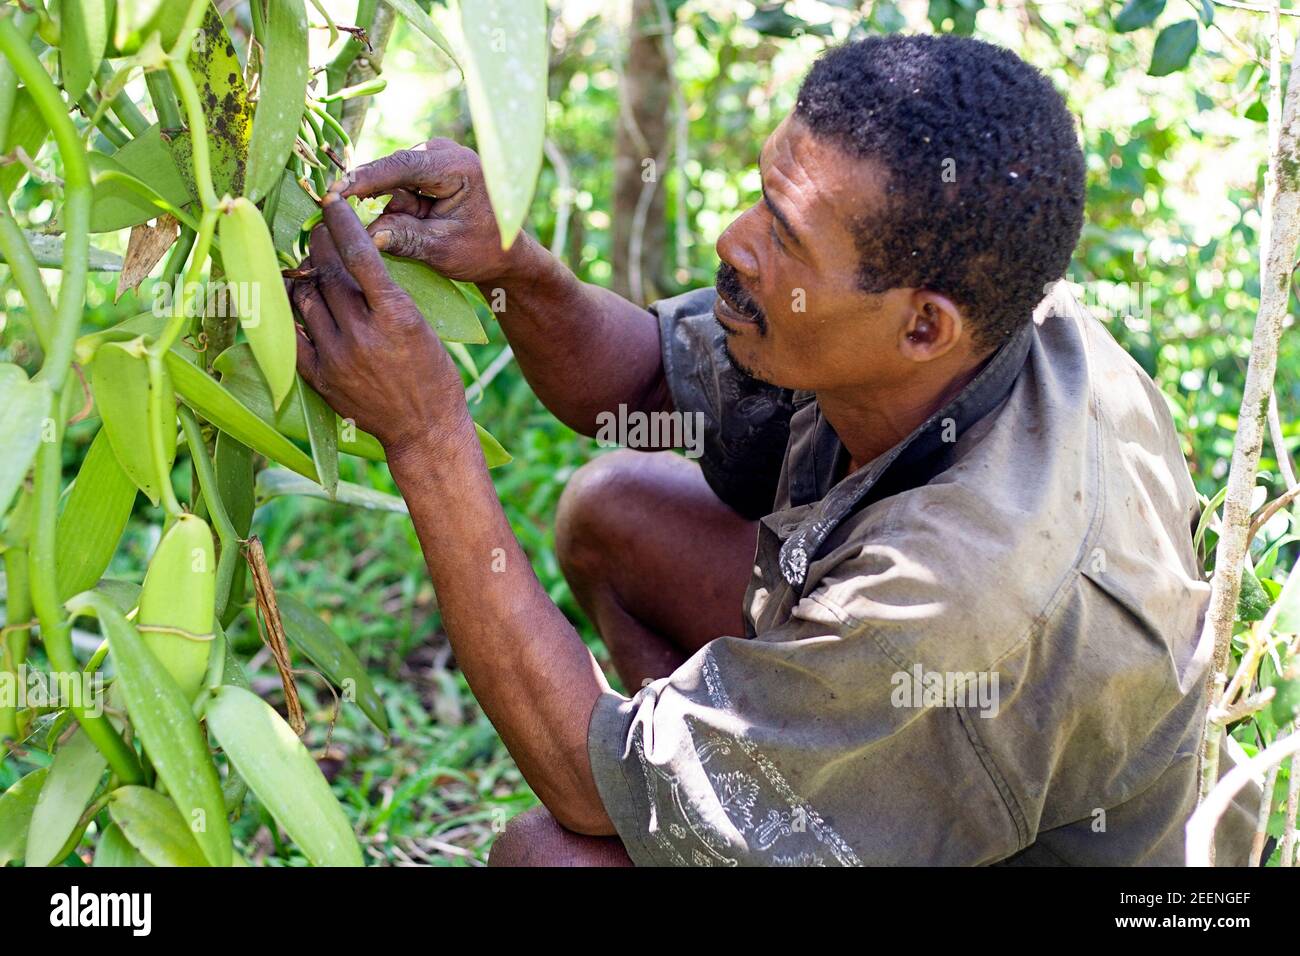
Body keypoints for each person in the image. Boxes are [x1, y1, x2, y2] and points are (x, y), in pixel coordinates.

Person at [286, 34, 1255, 866]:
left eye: (782, 236)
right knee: (615, 510)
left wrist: (425, 435)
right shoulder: (962, 315)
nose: (731, 237)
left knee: (544, 853)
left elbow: (585, 783)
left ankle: (717, 798)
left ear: (923, 327)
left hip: (1019, 828)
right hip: (936, 720)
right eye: (759, 196)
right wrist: (513, 268)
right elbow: (641, 392)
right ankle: (720, 801)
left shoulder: (954, 599)